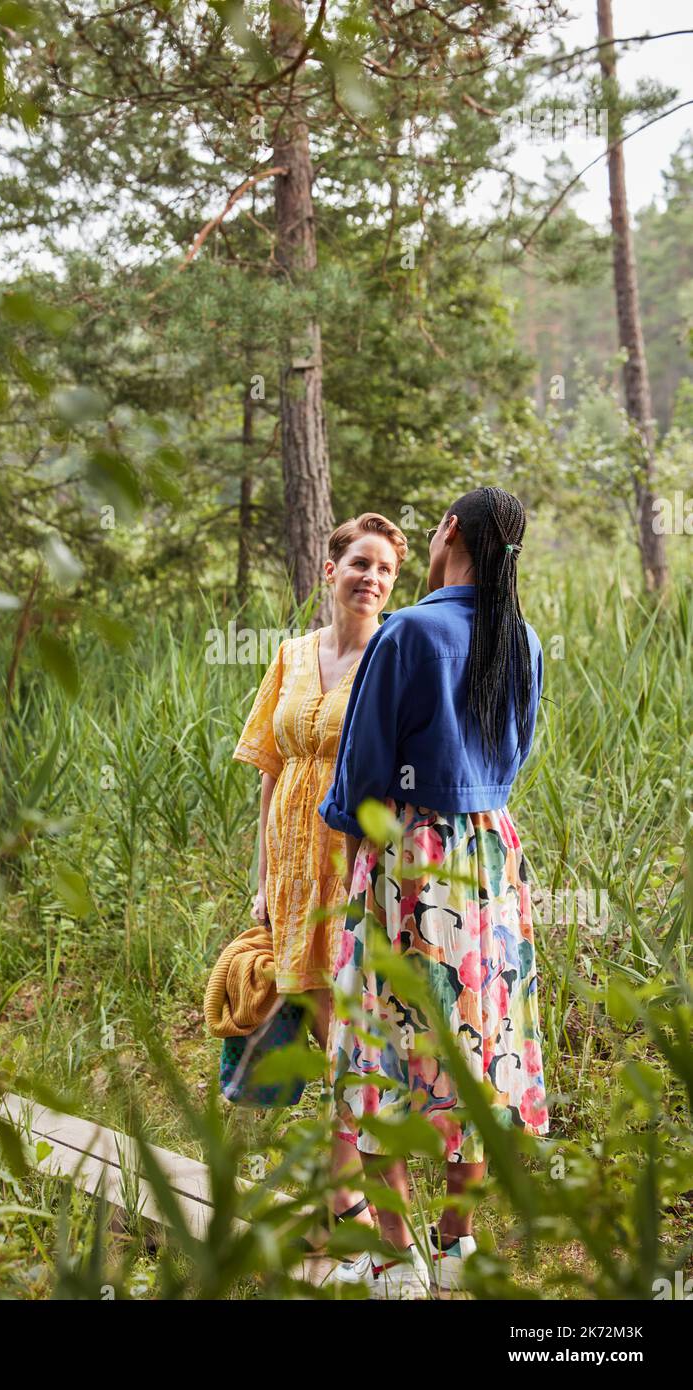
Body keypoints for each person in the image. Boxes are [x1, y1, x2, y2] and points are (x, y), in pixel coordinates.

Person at [318, 486, 550, 1300]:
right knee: (475, 1042)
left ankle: (392, 1257)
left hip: (407, 853)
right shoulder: (520, 637)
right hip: (488, 858)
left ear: (448, 531)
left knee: (378, 1046)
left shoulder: (409, 631)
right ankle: (457, 1240)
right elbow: (516, 755)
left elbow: (361, 774)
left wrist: (356, 871)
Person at [232, 512, 407, 1232]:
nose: (371, 578)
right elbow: (269, 770)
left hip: (350, 864)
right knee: (311, 1015)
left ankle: (356, 1202)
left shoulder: (391, 657)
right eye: (360, 563)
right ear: (330, 571)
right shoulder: (291, 655)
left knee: (346, 1028)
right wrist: (262, 875)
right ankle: (341, 1192)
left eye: (385, 570)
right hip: (290, 866)